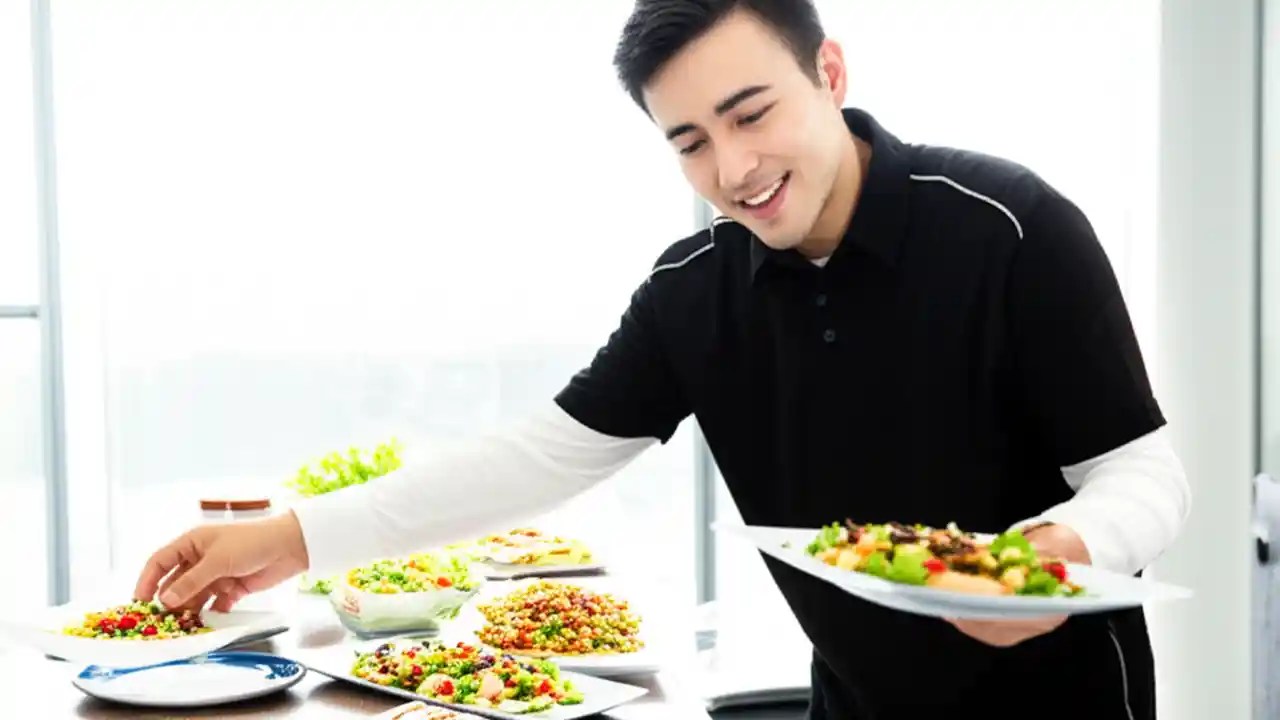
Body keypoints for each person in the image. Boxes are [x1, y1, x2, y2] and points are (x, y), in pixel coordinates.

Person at [133, 1, 1190, 717]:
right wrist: (294, 536)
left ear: (827, 70)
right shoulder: (695, 286)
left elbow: (1143, 474)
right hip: (851, 698)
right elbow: (542, 456)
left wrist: (1053, 552)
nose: (731, 170)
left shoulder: (1008, 226)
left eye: (749, 114)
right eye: (686, 141)